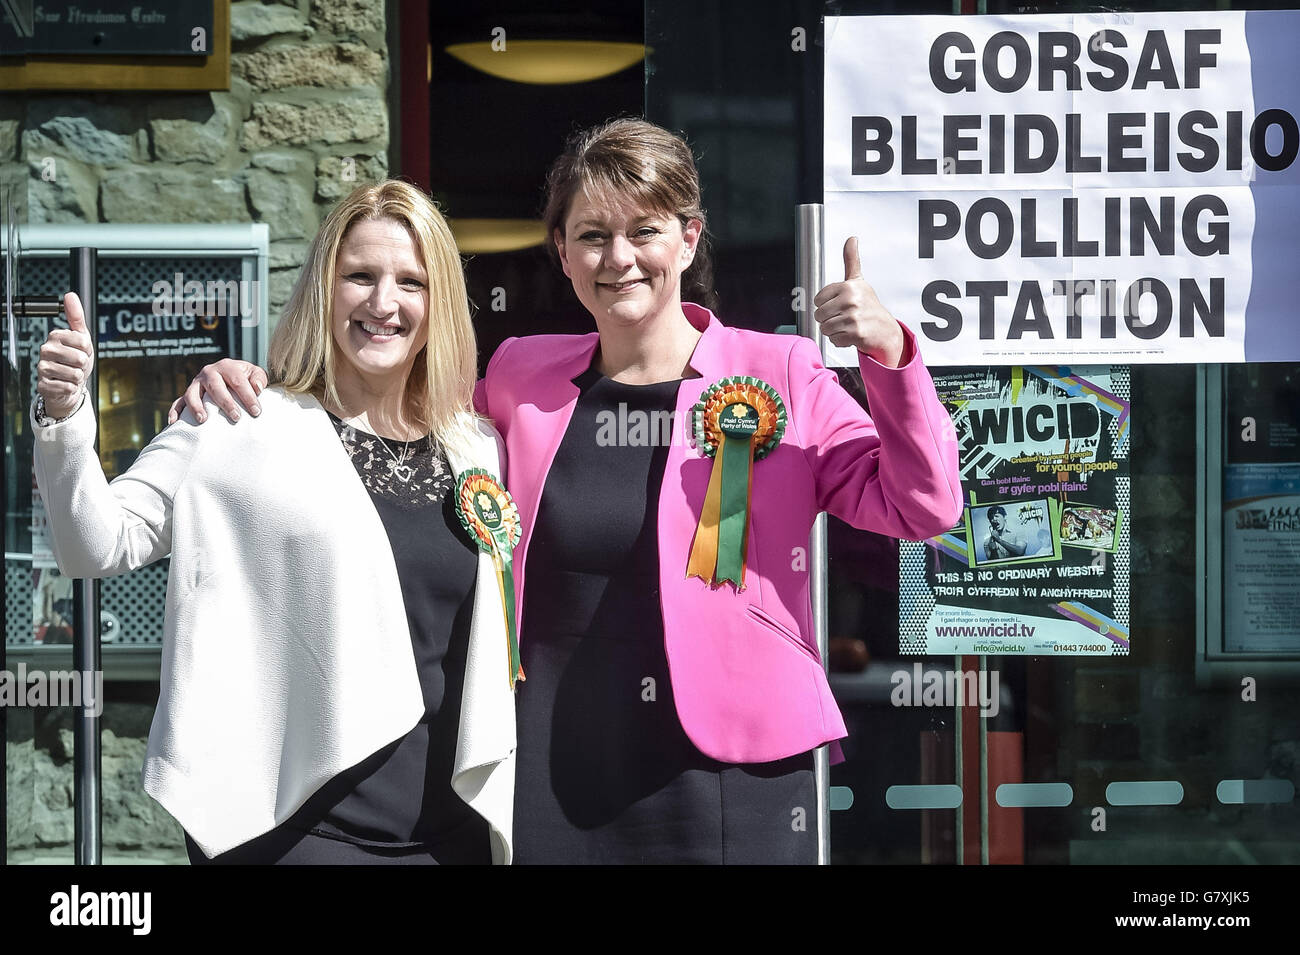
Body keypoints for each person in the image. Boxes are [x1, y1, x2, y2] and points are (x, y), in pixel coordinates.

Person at [172, 118, 963, 864]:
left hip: (734, 770)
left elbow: (922, 506)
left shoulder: (778, 371)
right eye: (593, 235)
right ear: (561, 251)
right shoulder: (521, 374)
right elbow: (391, 418)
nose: (619, 256)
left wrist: (891, 354)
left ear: (688, 238)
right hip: (554, 762)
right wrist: (265, 390)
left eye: (645, 230)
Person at [33, 181, 517, 864]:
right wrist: (65, 414)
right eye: (360, 276)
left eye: (411, 281)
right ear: (324, 287)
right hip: (296, 833)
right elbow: (97, 543)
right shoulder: (238, 421)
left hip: (451, 837)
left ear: (438, 304)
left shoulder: (479, 447)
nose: (385, 302)